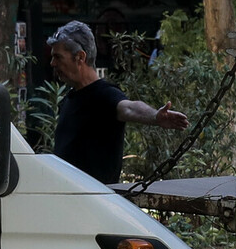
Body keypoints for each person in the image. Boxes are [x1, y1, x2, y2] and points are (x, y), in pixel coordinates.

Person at [45, 21, 188, 184]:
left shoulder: (104, 95)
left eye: (58, 57)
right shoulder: (69, 99)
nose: (53, 63)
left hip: (95, 202)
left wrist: (155, 116)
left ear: (80, 57)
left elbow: (129, 108)